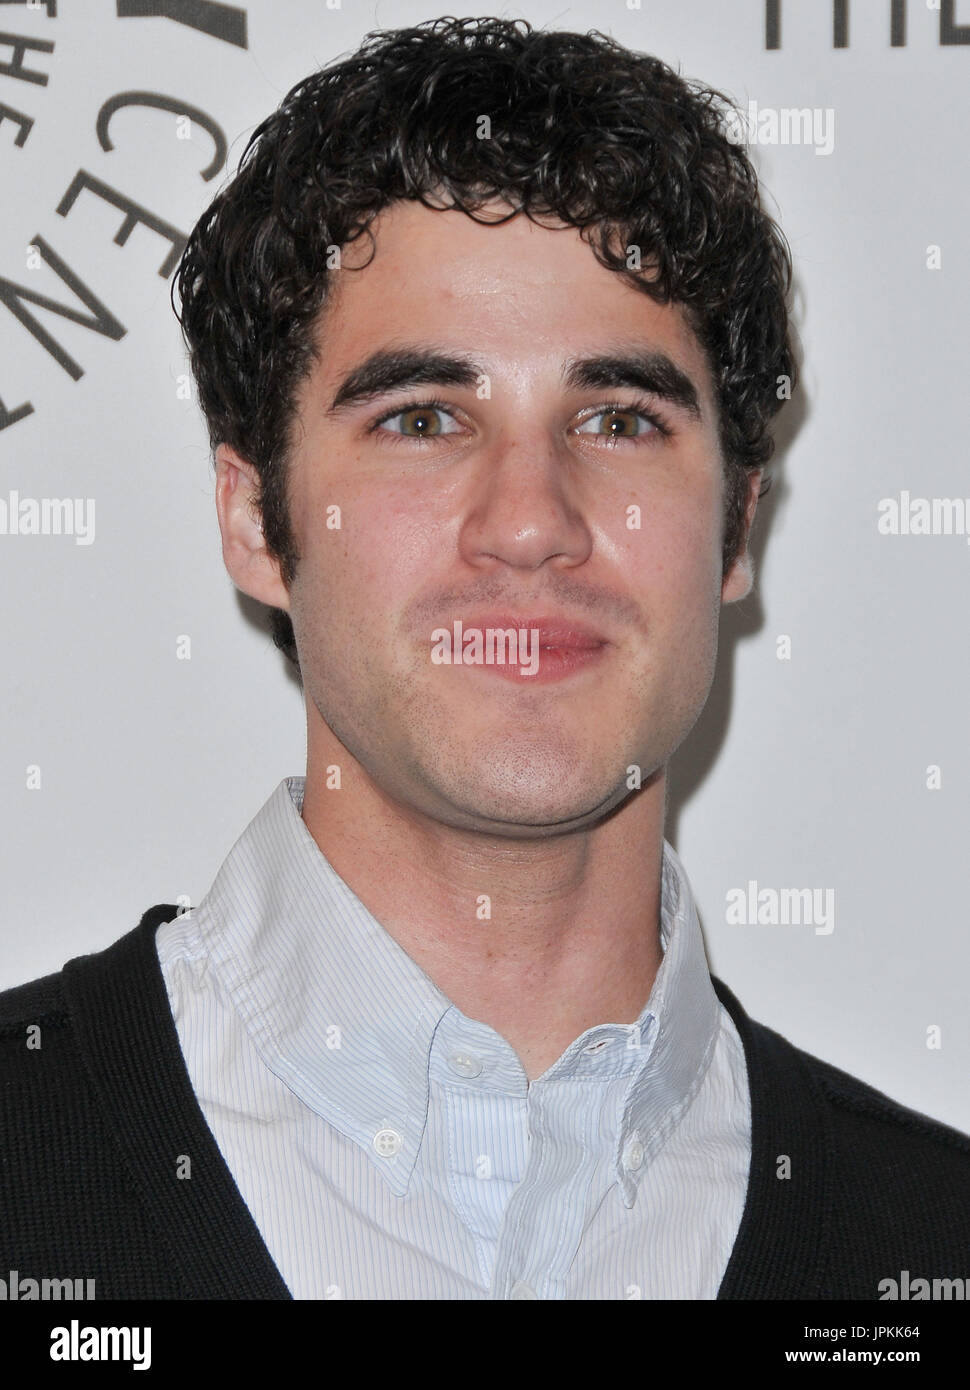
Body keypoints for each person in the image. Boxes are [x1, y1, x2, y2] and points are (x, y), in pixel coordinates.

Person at [1, 16, 967, 1302]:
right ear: (253, 522)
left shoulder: (936, 1252)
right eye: (422, 418)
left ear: (735, 526)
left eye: (617, 418)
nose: (528, 520)